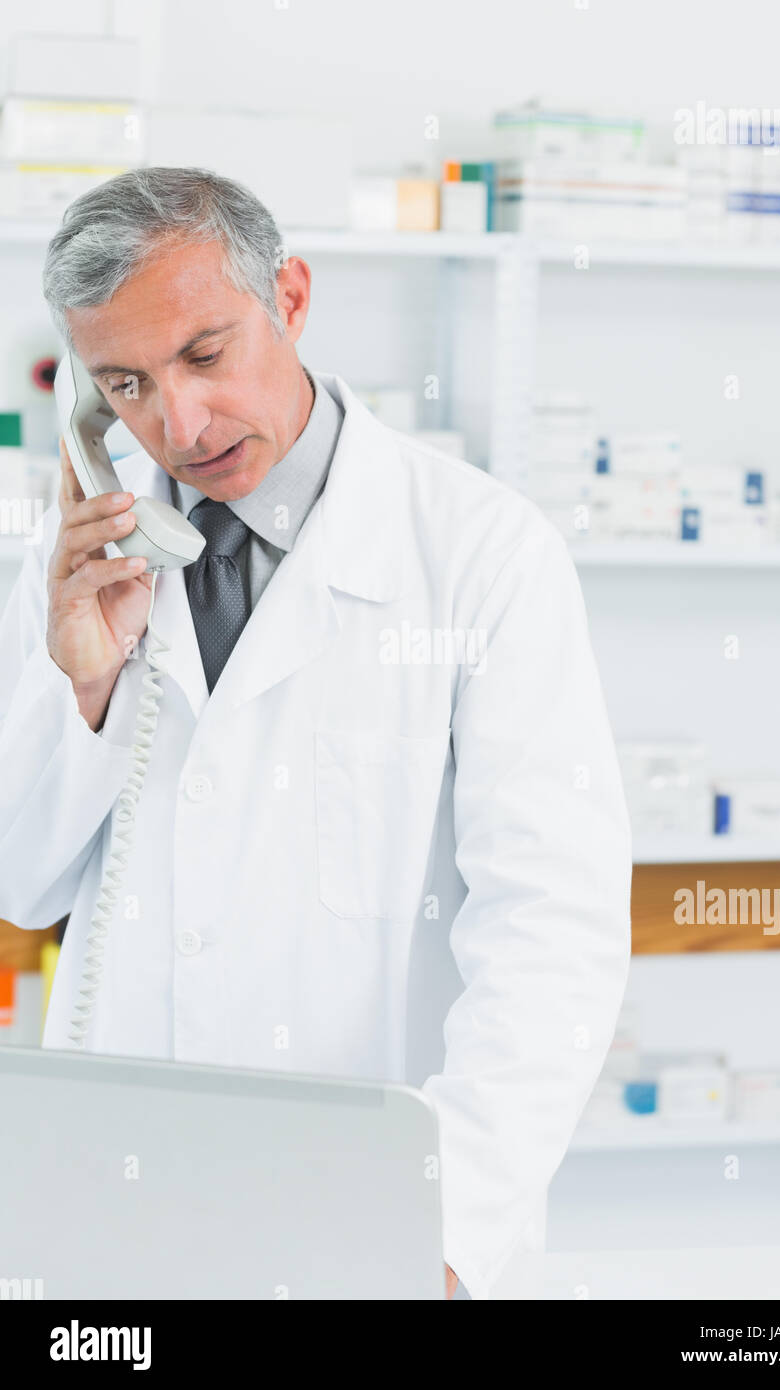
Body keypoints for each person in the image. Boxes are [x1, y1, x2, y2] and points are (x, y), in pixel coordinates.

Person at [0, 167, 632, 1301]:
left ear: (289, 296)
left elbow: (553, 931)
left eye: (203, 354)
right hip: (124, 1215)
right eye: (127, 384)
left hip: (374, 1218)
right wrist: (88, 691)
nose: (177, 425)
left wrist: (448, 1226)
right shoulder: (81, 562)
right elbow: (22, 883)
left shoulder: (481, 554)